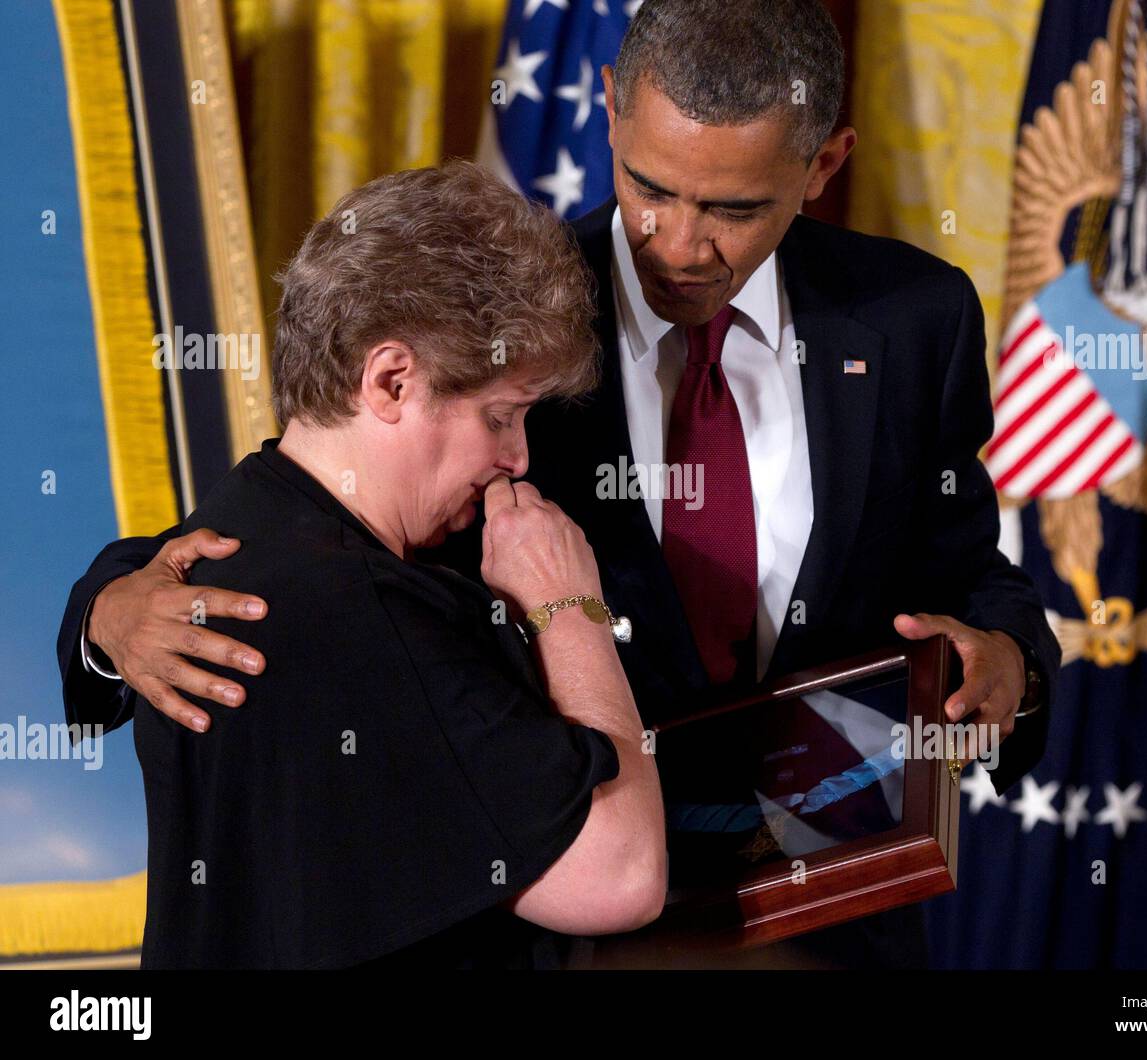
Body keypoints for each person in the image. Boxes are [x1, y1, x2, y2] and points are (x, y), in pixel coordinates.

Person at [58, 0, 1059, 969]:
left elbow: (966, 567)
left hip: (833, 913)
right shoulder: (507, 313)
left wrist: (1008, 657)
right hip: (573, 930)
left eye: (731, 208)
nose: (675, 241)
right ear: (609, 106)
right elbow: (316, 502)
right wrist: (108, 609)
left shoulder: (913, 316)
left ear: (821, 166)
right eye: (648, 186)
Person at [89, 161, 666, 968]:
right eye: (501, 416)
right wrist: (572, 608)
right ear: (392, 380)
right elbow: (622, 875)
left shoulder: (231, 526)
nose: (518, 455)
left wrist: (100, 604)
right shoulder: (378, 614)